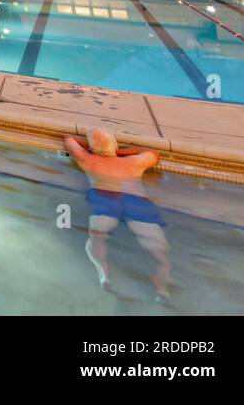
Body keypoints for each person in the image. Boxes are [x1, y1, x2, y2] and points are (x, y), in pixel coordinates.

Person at [64, 129, 171, 301]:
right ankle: (162, 287)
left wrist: (93, 150)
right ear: (114, 145)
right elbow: (153, 154)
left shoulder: (88, 159)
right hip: (135, 203)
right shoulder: (133, 163)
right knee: (158, 247)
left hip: (106, 200)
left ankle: (104, 274)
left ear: (92, 148)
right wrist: (119, 152)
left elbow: (69, 140)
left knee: (96, 237)